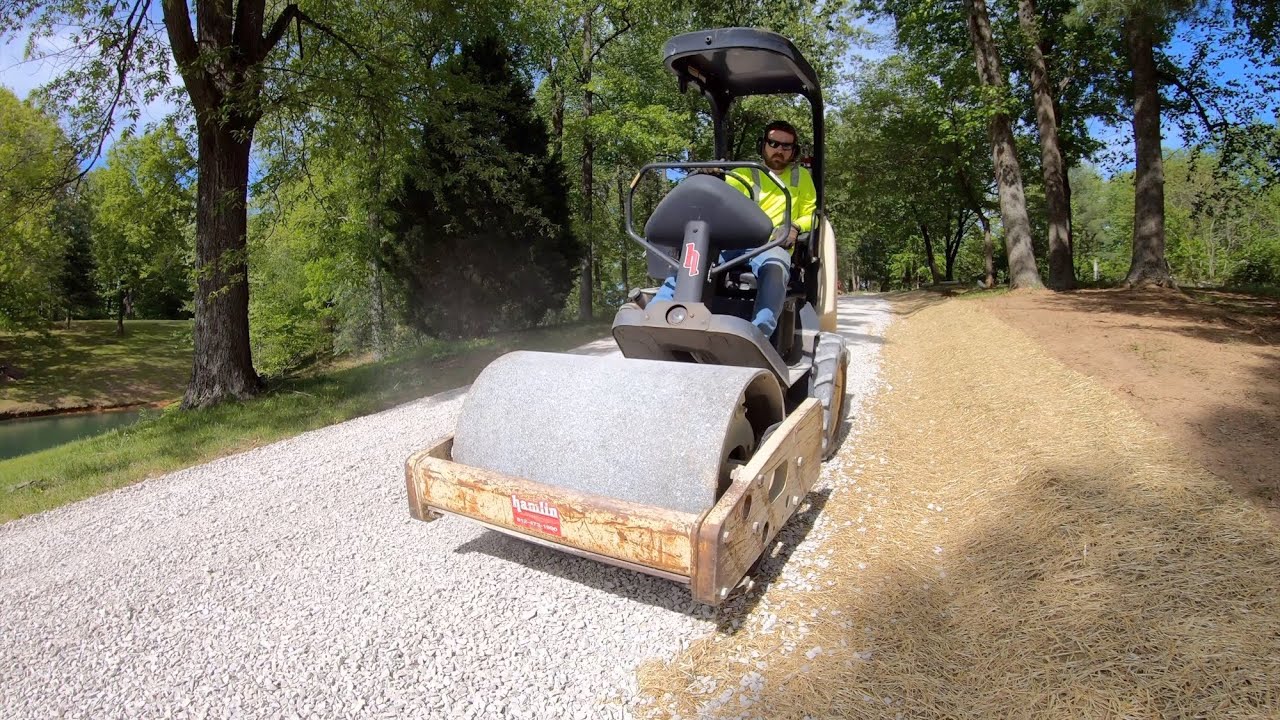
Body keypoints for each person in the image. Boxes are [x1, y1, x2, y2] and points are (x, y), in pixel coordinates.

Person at [648, 120, 818, 339]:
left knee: (775, 266)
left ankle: (757, 335)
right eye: (774, 143)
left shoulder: (801, 178)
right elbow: (720, 198)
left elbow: (811, 215)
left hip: (773, 244)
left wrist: (794, 226)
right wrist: (710, 176)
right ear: (763, 145)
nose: (779, 150)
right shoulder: (744, 173)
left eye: (786, 146)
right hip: (735, 242)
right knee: (694, 257)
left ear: (793, 151)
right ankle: (655, 315)